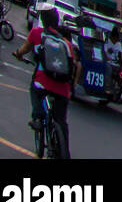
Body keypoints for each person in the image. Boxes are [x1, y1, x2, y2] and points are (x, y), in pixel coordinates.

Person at [14, 8, 80, 157]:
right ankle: (65, 152)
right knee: (61, 121)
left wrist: (18, 54)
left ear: (43, 21)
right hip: (63, 87)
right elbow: (73, 65)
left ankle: (37, 117)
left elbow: (24, 50)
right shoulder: (66, 43)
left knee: (34, 89)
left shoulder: (37, 33)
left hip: (43, 82)